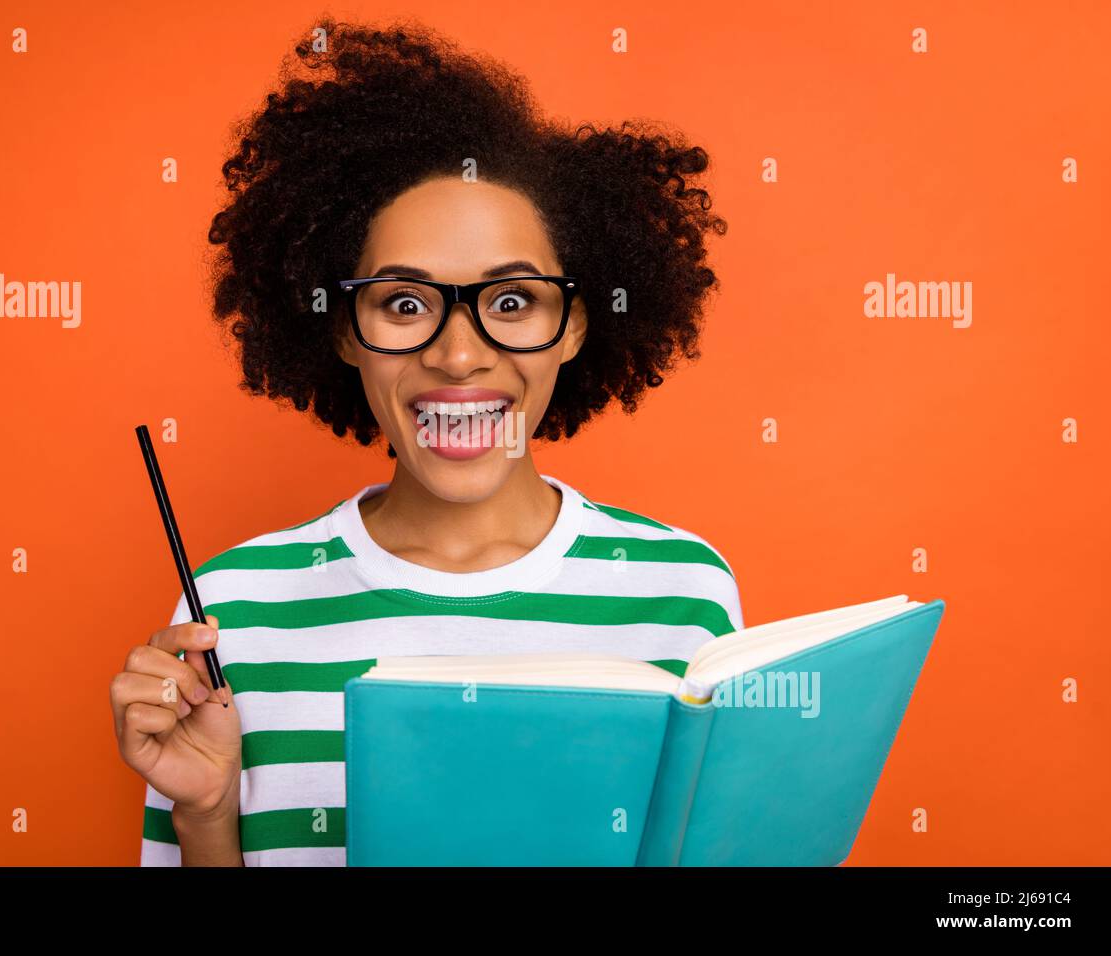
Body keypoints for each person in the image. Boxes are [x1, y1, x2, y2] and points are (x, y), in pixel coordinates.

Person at [110, 16, 742, 866]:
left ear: (574, 326)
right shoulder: (229, 616)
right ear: (343, 331)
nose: (458, 353)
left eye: (512, 302)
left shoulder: (683, 593)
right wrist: (208, 817)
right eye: (403, 304)